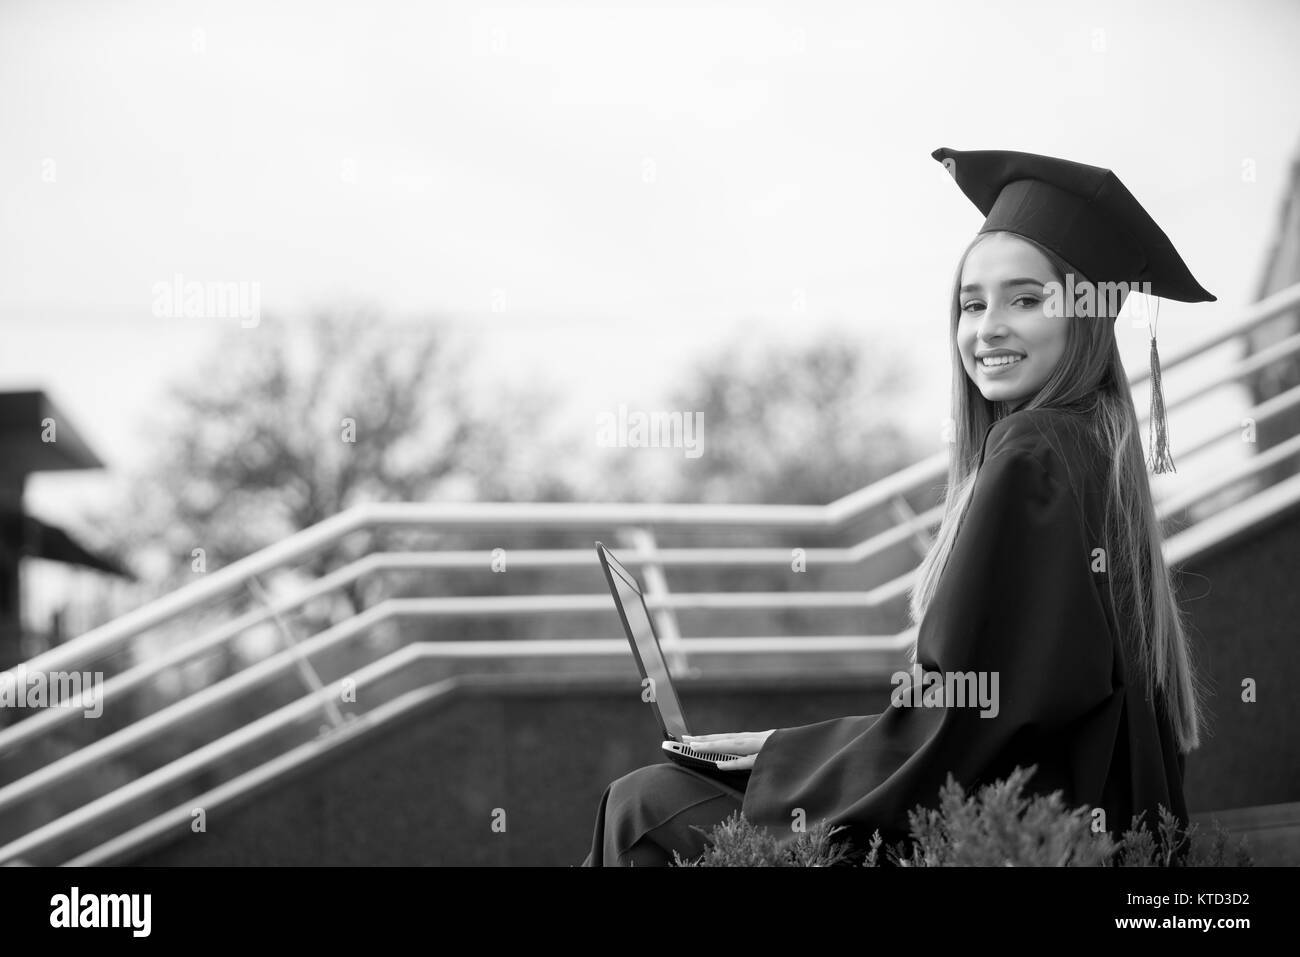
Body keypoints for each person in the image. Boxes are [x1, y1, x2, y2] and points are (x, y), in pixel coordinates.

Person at [580, 147, 1214, 867]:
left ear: (1088, 318)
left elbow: (970, 720)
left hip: (995, 843)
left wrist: (781, 757)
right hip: (1064, 836)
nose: (989, 327)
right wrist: (780, 753)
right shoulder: (1093, 451)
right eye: (972, 304)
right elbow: (985, 708)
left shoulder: (1034, 451)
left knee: (641, 804)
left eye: (1027, 299)